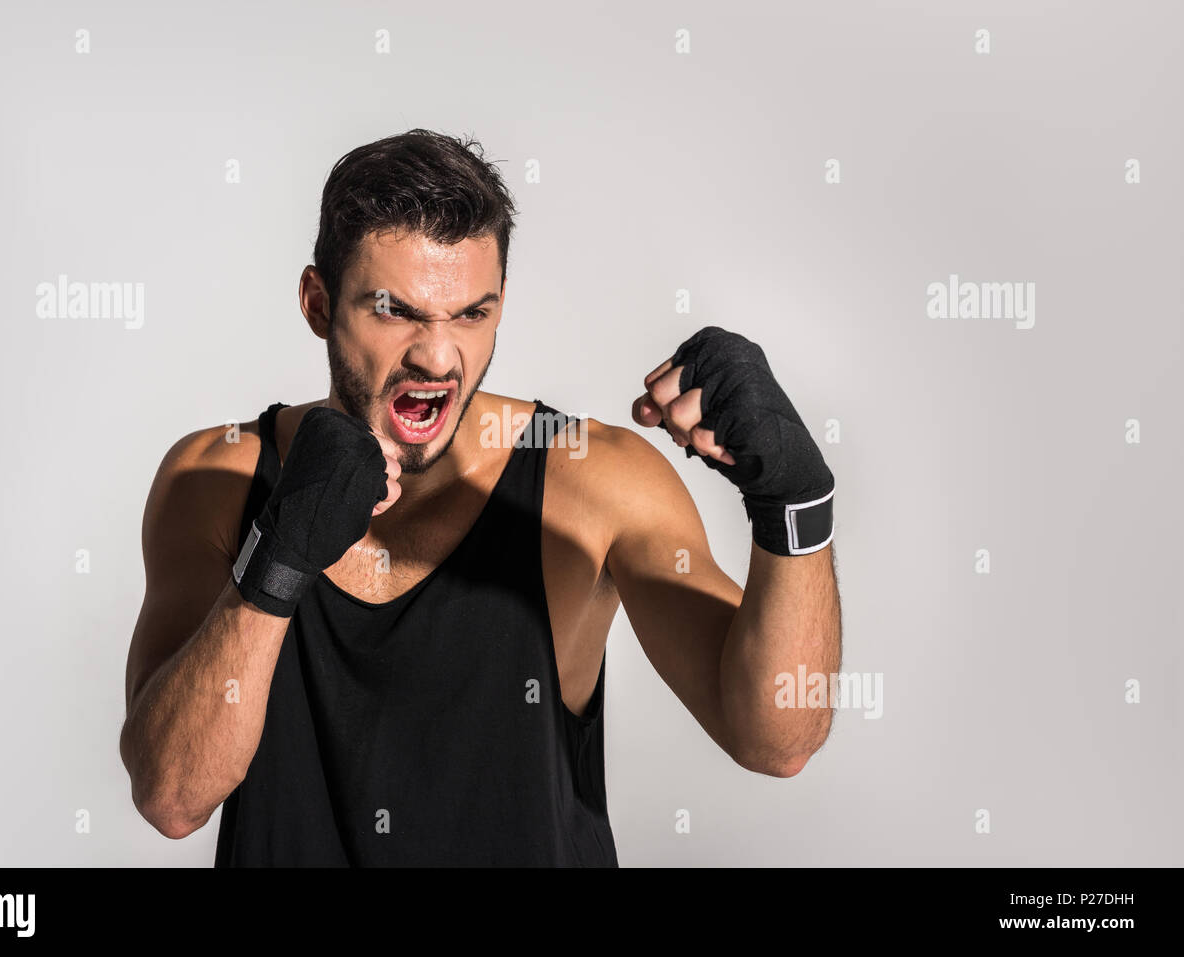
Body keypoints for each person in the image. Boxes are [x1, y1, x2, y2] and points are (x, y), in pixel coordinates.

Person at [118, 129, 842, 866]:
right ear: (317, 303)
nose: (438, 356)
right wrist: (276, 558)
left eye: (471, 313)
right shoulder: (216, 481)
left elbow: (778, 740)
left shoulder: (592, 483)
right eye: (395, 310)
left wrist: (796, 506)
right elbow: (171, 795)